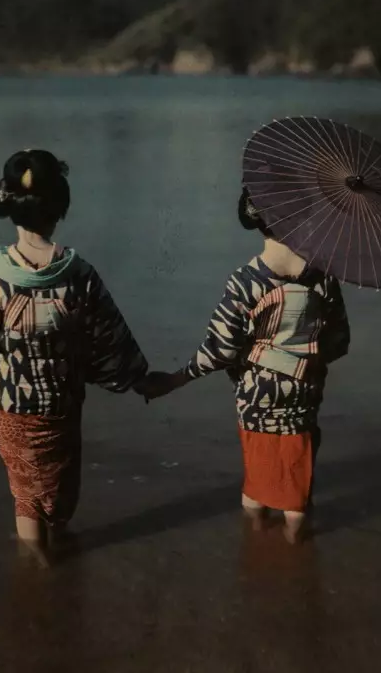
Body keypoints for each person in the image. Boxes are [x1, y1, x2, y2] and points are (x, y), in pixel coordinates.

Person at [0, 149, 149, 559]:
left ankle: (36, 575)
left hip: (7, 405)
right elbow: (110, 339)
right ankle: (49, 567)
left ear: (8, 206)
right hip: (60, 403)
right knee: (57, 492)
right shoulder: (78, 275)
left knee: (26, 490)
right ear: (60, 207)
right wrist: (135, 379)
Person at [140, 188, 350, 544]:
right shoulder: (324, 276)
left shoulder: (245, 281)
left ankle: (255, 537)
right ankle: (296, 544)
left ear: (256, 221)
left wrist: (177, 378)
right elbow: (339, 341)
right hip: (305, 390)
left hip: (256, 395)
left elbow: (220, 349)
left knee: (258, 471)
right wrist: (304, 361)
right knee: (297, 469)